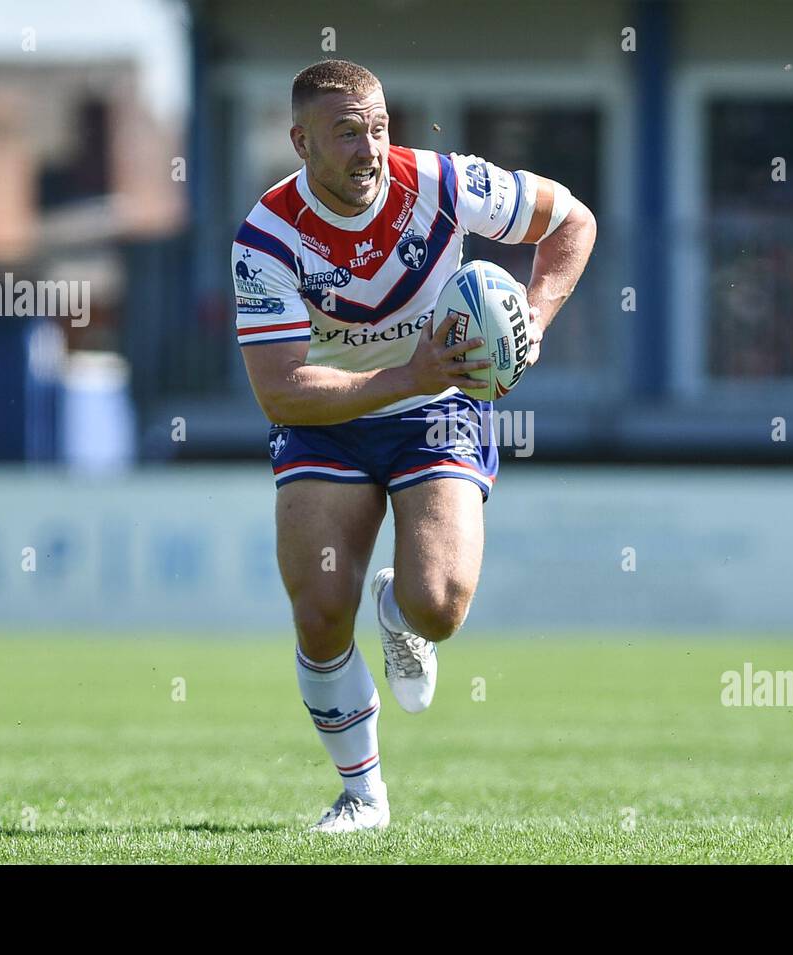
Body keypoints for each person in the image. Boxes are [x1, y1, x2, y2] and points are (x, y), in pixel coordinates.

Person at [232, 59, 596, 832]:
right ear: (300, 143)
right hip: (325, 414)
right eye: (346, 133)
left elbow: (573, 220)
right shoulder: (265, 236)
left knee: (439, 607)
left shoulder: (442, 183)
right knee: (322, 611)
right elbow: (279, 389)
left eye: (379, 126)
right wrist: (408, 370)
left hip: (436, 407)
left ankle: (398, 612)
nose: (369, 148)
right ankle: (363, 795)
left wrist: (532, 317)